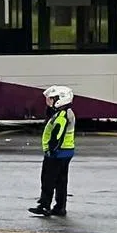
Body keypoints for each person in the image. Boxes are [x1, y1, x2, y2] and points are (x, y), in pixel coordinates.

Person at [29, 85, 75, 217]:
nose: (50, 102)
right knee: (61, 181)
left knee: (48, 179)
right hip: (66, 152)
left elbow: (57, 135)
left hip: (57, 153)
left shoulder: (61, 115)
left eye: (52, 99)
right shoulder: (66, 112)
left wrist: (51, 150)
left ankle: (44, 205)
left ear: (61, 99)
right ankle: (60, 207)